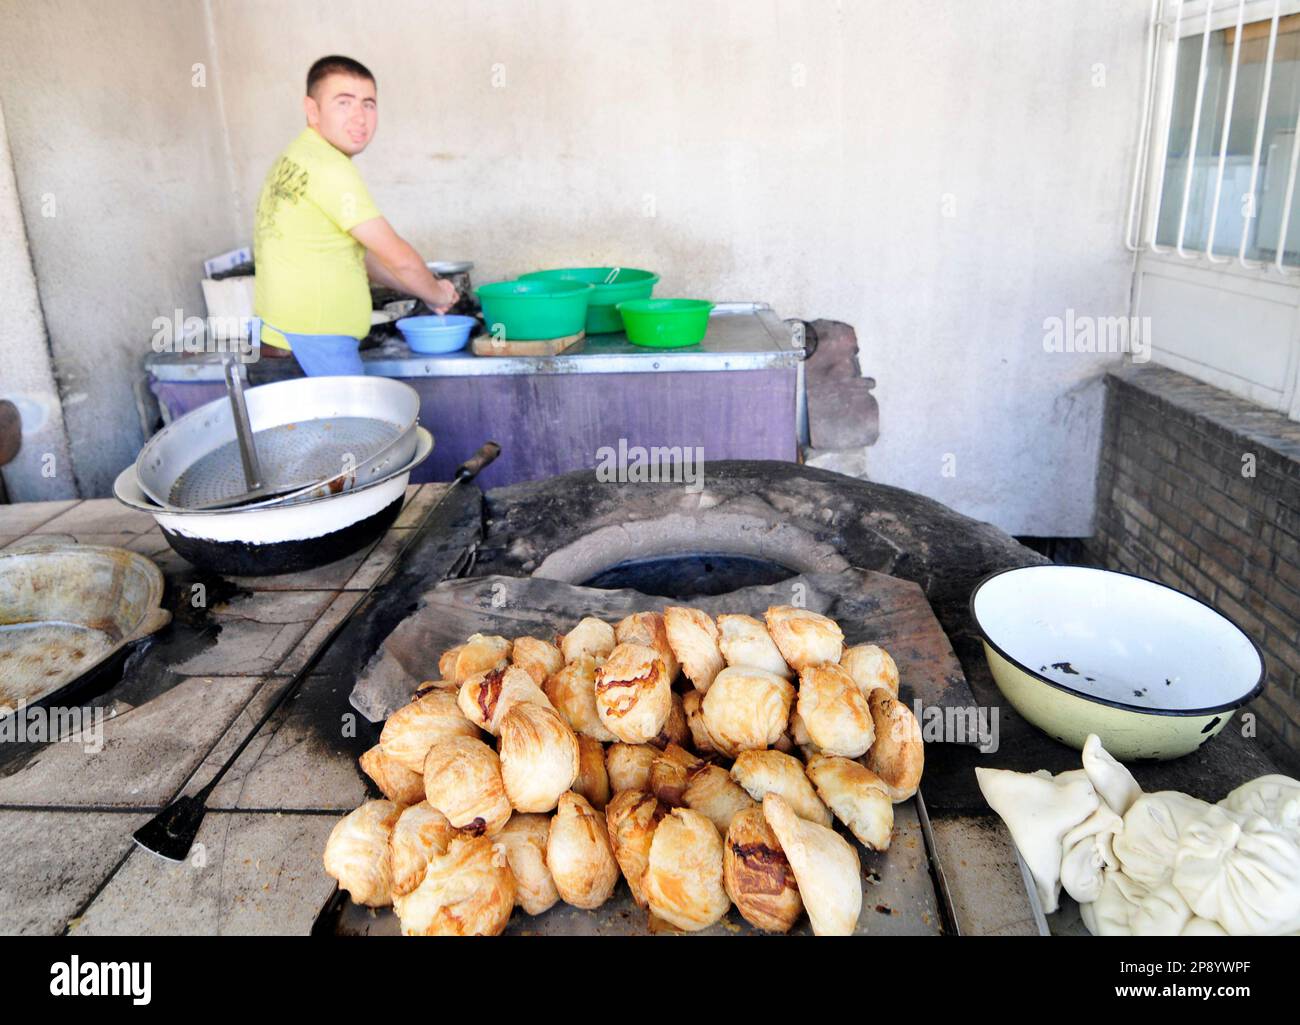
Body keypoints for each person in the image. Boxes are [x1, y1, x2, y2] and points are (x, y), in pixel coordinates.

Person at [252, 55, 456, 376]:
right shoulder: (330, 169)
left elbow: (362, 258)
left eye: (368, 104)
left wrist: (421, 291)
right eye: (344, 103)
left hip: (284, 341)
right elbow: (397, 256)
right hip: (315, 345)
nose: (359, 117)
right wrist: (438, 292)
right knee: (355, 427)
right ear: (312, 109)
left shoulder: (298, 155)